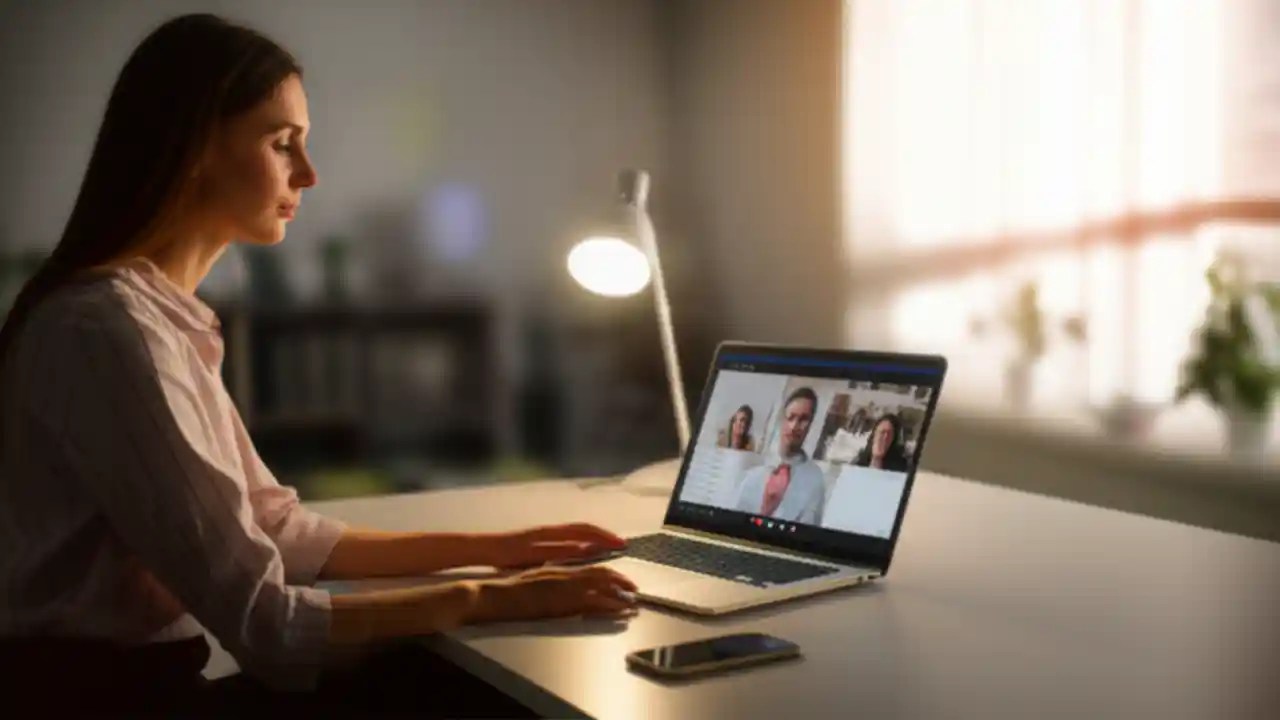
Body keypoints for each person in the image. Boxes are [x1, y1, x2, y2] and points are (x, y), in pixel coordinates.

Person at [0, 14, 637, 715]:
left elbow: (272, 529)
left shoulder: (150, 318)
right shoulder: (108, 332)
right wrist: (489, 597)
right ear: (195, 147)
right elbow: (269, 627)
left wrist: (499, 549)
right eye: (282, 144)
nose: (308, 174)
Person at [734, 388, 826, 524]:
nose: (794, 426)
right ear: (782, 419)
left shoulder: (815, 480)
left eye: (803, 419)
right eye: (791, 417)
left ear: (811, 424)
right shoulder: (753, 461)